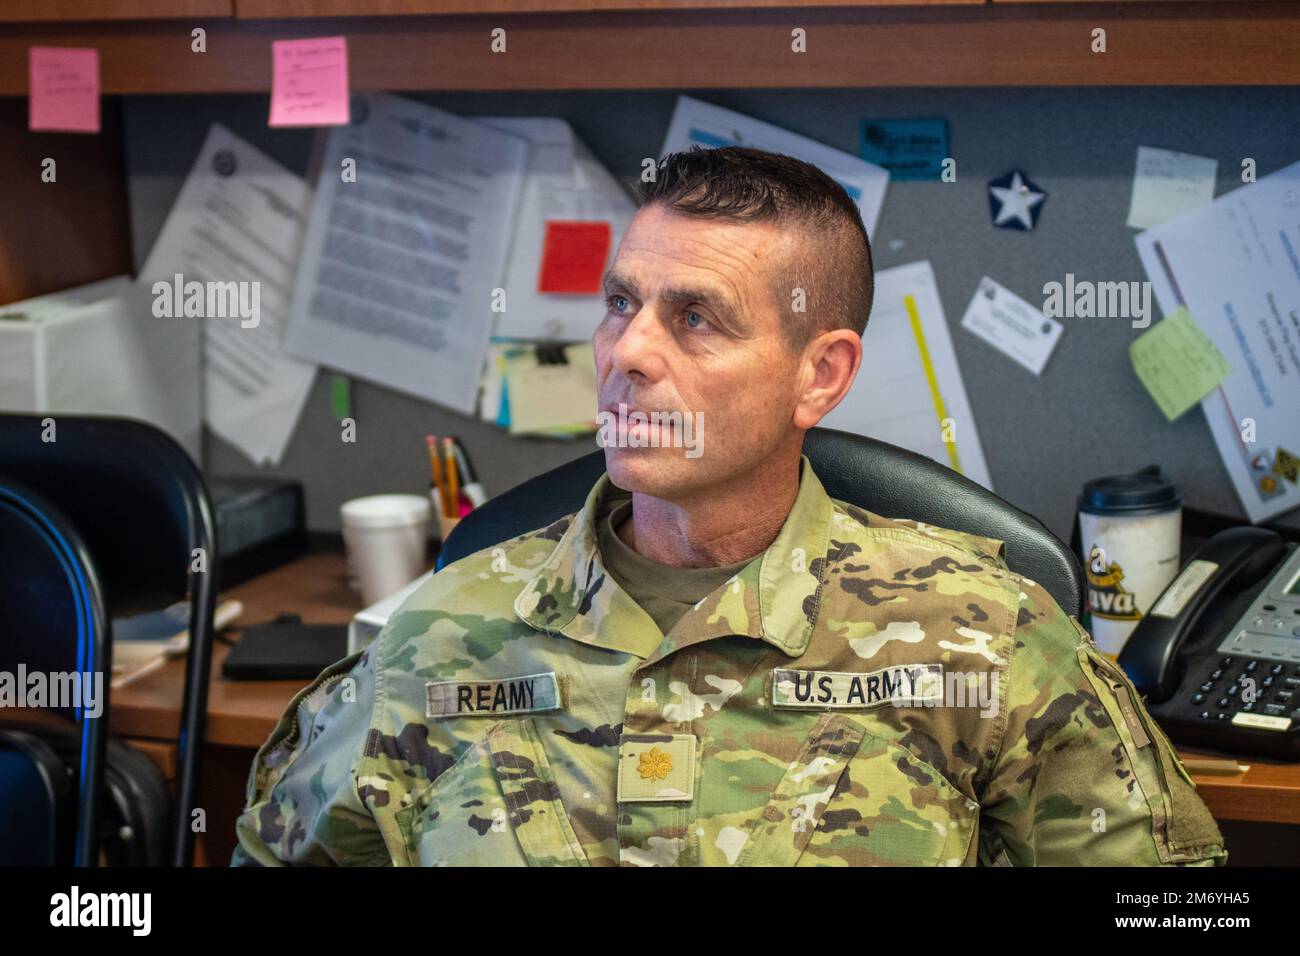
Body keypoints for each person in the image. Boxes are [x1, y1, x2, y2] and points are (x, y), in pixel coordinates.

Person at [232, 146, 1226, 867]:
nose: (626, 352)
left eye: (695, 316)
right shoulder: (442, 633)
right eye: (621, 302)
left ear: (819, 374)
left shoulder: (980, 636)